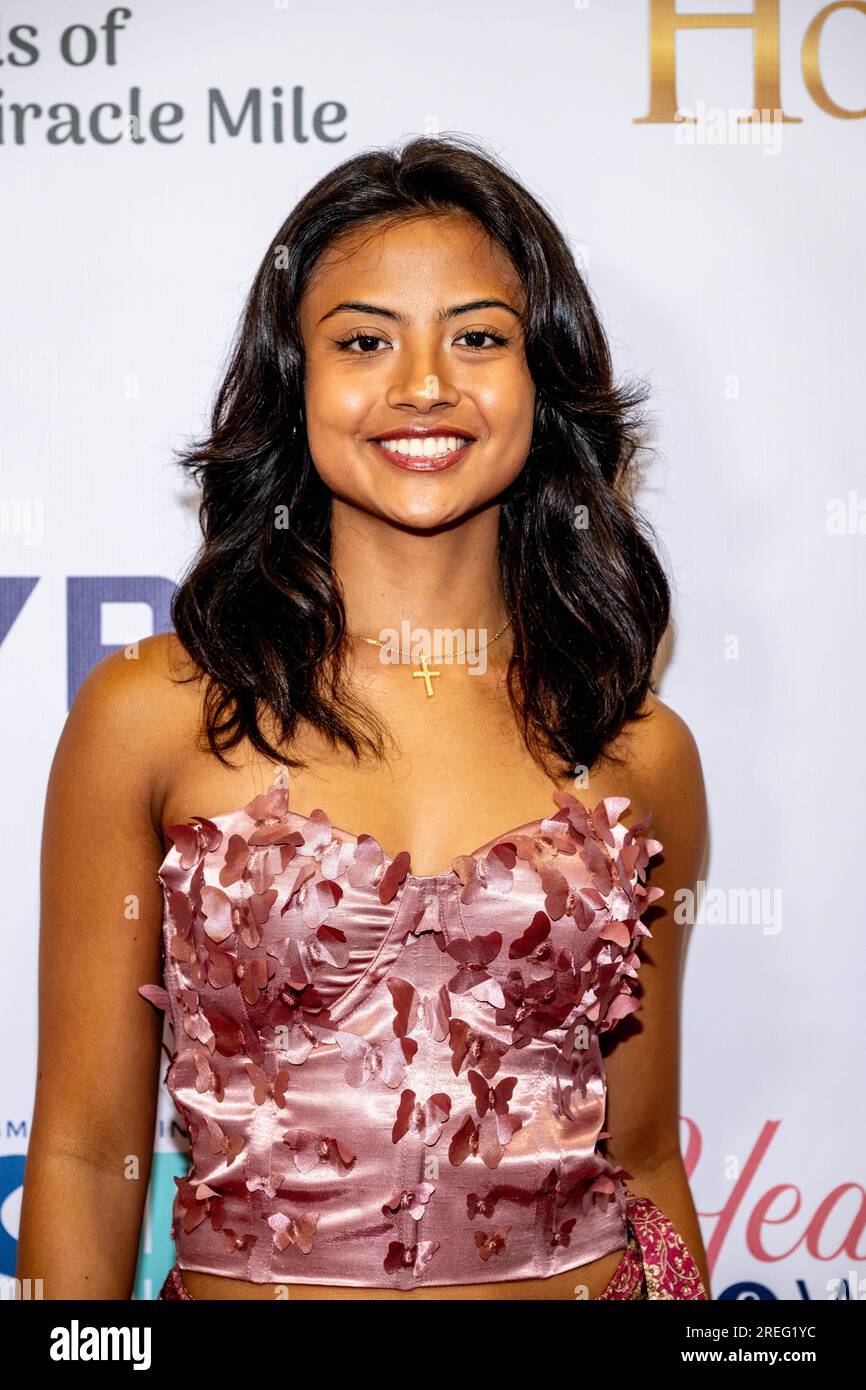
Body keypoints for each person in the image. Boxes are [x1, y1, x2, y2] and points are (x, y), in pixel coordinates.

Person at [17, 133, 710, 1301]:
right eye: (363, 341)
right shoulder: (152, 713)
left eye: (479, 337)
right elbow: (87, 1155)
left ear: (542, 381)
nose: (422, 384)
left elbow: (640, 1160)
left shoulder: (635, 744)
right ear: (297, 382)